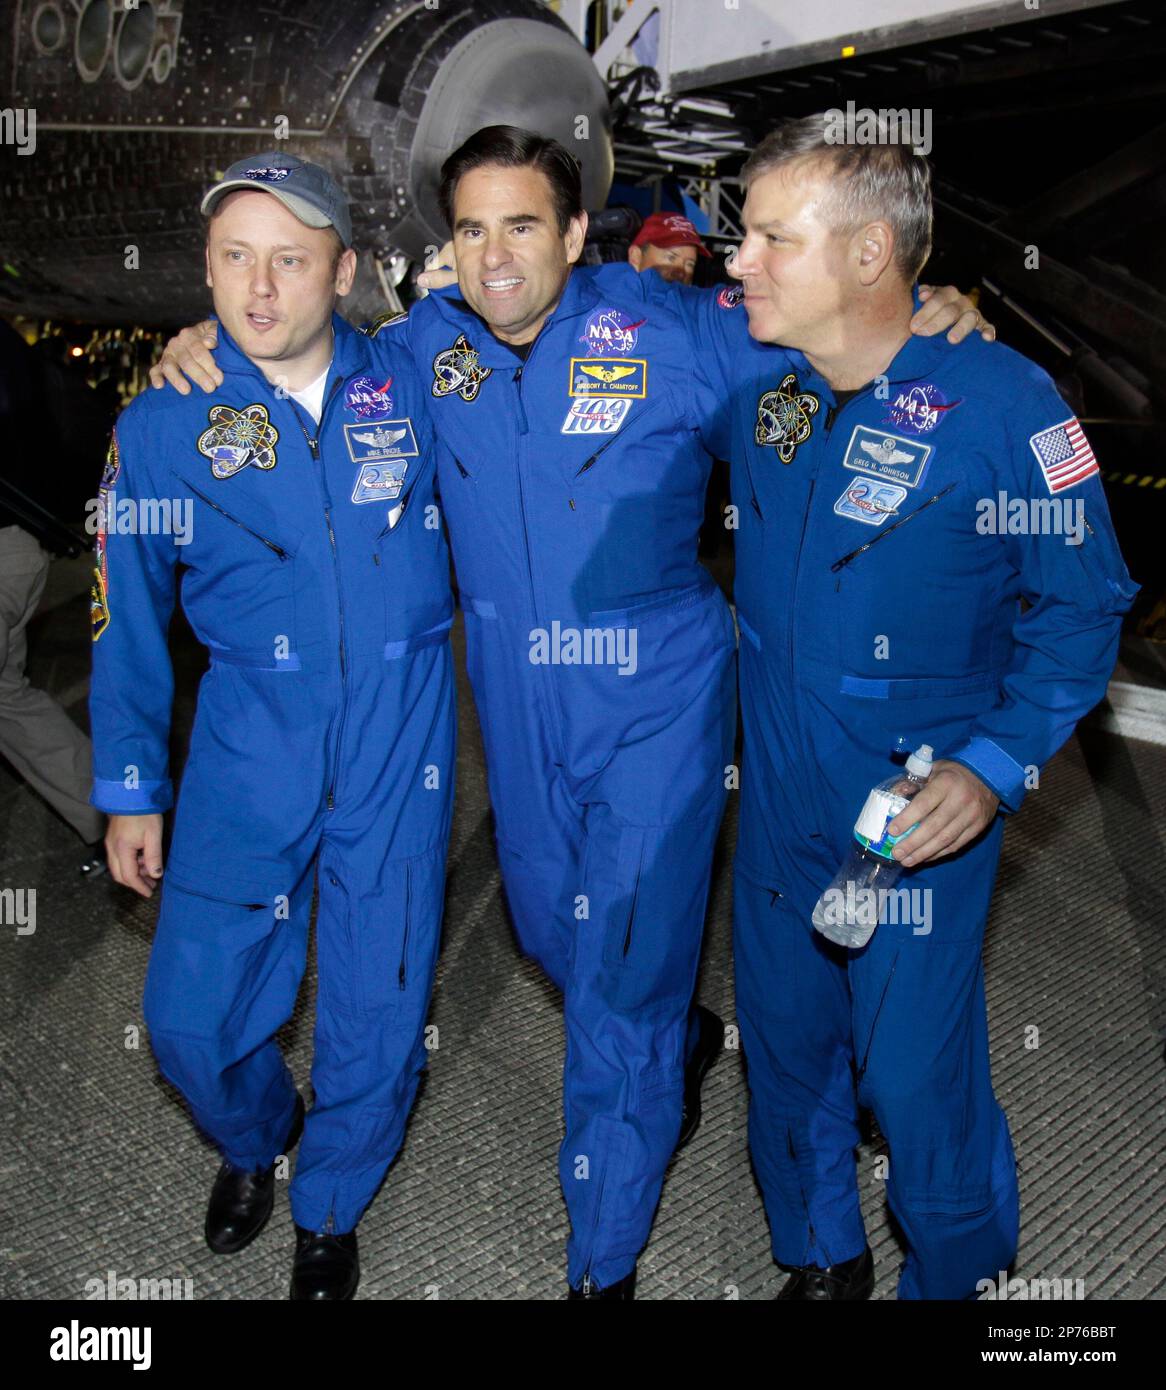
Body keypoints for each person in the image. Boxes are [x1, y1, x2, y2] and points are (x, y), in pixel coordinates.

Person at [152, 126, 986, 1300]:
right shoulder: (417, 355)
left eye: (524, 224)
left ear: (576, 232)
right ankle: (684, 1040)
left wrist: (922, 307)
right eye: (473, 228)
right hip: (511, 712)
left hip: (658, 707)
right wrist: (198, 344)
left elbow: (836, 347)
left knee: (617, 995)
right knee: (553, 939)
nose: (496, 256)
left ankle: (602, 1259)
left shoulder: (677, 333)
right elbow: (297, 354)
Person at [614, 115, 1138, 1298]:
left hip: (910, 817)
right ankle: (817, 1253)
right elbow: (561, 331)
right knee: (787, 1053)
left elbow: (1081, 608)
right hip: (781, 805)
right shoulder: (761, 381)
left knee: (909, 1076)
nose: (734, 258)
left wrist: (993, 764)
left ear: (864, 257)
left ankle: (956, 1273)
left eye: (766, 238)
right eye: (739, 234)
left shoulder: (1006, 407)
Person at [91, 152, 456, 1300]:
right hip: (252, 741)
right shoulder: (160, 424)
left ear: (344, 270)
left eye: (289, 260)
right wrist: (131, 786)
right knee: (188, 1018)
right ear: (203, 270)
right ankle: (258, 1136)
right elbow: (124, 623)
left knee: (378, 1003)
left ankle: (331, 1200)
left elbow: (542, 286)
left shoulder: (418, 374)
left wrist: (918, 303)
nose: (258, 290)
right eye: (233, 260)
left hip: (401, 735)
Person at [0, 323, 107, 873]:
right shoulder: (15, 349)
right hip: (22, 543)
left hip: (7, 543)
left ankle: (111, 814)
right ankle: (106, 813)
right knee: (7, 699)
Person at [626, 211, 710, 285]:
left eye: (690, 264)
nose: (681, 273)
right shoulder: (615, 299)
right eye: (671, 257)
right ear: (636, 256)